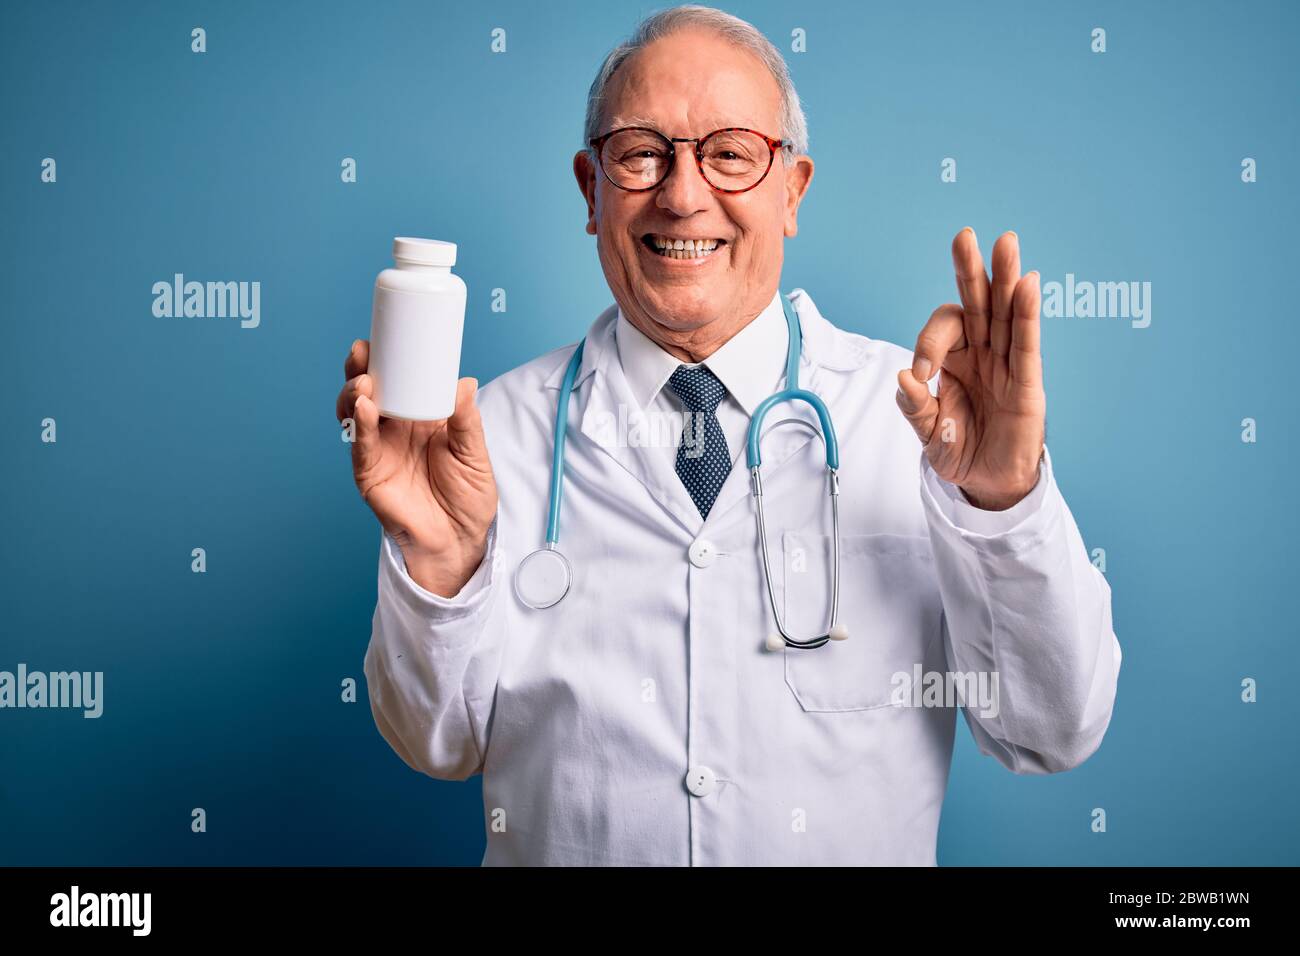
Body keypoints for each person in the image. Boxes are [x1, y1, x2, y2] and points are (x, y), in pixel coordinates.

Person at [335, 4, 1121, 865]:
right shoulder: (491, 438)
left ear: (793, 191)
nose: (682, 194)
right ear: (590, 190)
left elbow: (1051, 731)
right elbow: (436, 745)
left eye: (731, 154)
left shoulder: (919, 420)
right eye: (640, 153)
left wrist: (1002, 503)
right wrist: (441, 569)